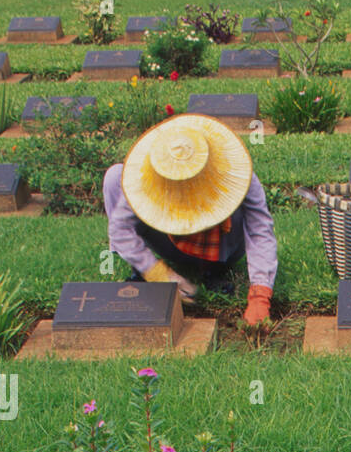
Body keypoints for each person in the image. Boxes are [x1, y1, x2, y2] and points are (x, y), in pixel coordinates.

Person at [103, 113, 277, 324]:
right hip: (170, 242)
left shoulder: (238, 171)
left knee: (243, 209)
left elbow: (260, 230)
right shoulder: (148, 175)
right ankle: (139, 270)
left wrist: (260, 294)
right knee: (114, 177)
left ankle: (214, 271)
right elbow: (120, 228)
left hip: (223, 246)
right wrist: (157, 273)